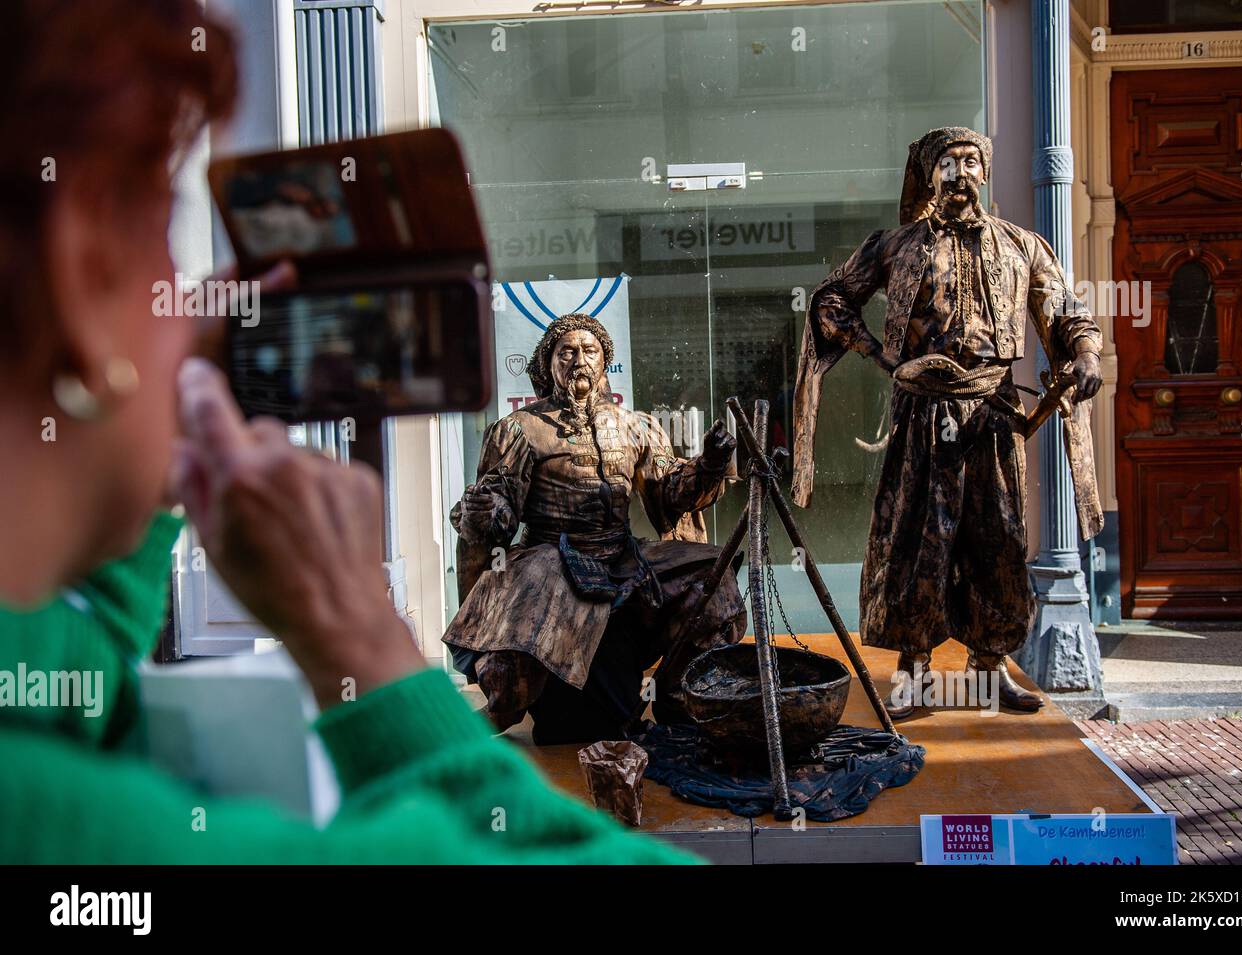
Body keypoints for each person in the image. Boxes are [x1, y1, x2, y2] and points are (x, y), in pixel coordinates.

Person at [0, 0, 691, 864]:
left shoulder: (31, 725)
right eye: (161, 249)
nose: (182, 297)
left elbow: (56, 689)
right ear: (85, 259)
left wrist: (113, 437)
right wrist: (357, 633)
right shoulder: (90, 836)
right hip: (557, 573)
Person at [792, 126, 1104, 718]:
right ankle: (913, 673)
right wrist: (877, 353)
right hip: (922, 414)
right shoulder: (895, 245)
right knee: (916, 540)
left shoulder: (1023, 246)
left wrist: (1085, 352)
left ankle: (989, 669)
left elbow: (1066, 309)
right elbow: (830, 301)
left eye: (970, 161)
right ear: (929, 173)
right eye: (947, 163)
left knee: (1000, 539)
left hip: (994, 413)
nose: (960, 173)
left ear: (985, 172)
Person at [444, 313, 746, 744]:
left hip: (620, 556)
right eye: (566, 352)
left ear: (605, 363)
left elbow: (671, 492)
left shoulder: (635, 426)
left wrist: (710, 464)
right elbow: (500, 505)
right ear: (548, 364)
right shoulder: (520, 429)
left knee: (713, 579)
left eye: (589, 351)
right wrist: (482, 510)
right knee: (537, 586)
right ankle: (505, 704)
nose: (578, 360)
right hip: (549, 555)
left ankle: (679, 700)